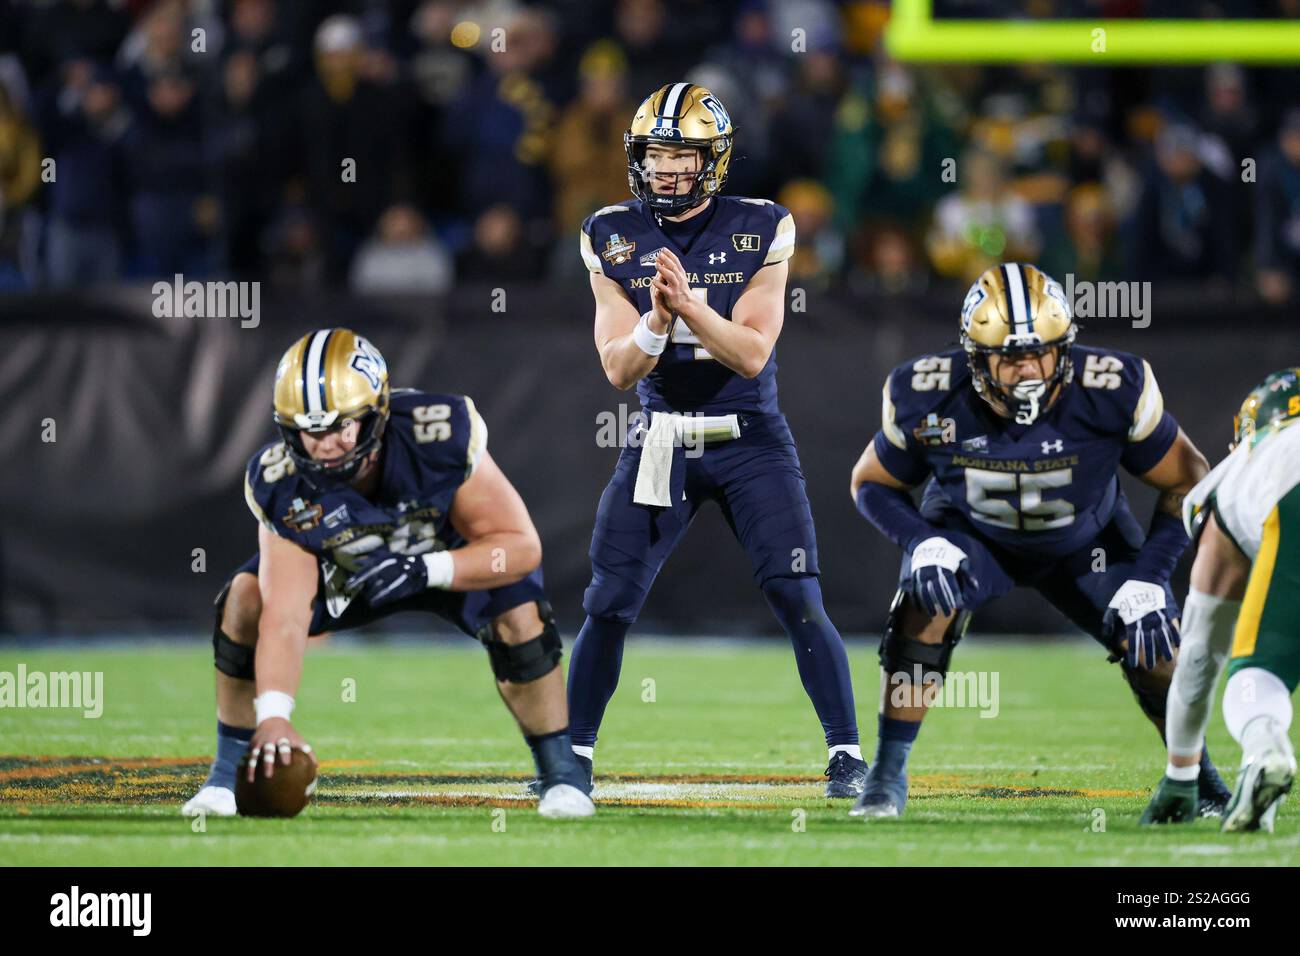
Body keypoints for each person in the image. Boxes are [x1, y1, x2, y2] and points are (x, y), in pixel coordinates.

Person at [566, 83, 865, 798]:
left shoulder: (761, 225)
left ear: (714, 160)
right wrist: (655, 323)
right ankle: (570, 758)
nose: (666, 170)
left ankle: (847, 755)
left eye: (682, 156)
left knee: (796, 592)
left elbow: (753, 353)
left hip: (747, 438)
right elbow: (618, 369)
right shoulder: (609, 231)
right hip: (660, 439)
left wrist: (688, 308)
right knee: (608, 600)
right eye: (655, 155)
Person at [849, 262, 1231, 818]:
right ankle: (886, 776)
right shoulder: (929, 390)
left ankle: (1200, 779)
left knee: (1153, 640)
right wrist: (920, 542)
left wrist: (1150, 579)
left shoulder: (1110, 387)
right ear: (975, 358)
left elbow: (1189, 479)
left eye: (1041, 353)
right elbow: (870, 482)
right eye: (1009, 357)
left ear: (1065, 348)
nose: (1027, 368)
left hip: (1087, 542)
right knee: (920, 603)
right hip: (971, 535)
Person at [182, 328, 593, 819]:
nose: (326, 445)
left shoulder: (435, 435)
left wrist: (427, 568)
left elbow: (519, 548)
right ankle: (226, 777)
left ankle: (560, 775)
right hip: (348, 574)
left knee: (522, 615)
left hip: (447, 562)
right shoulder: (282, 483)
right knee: (245, 598)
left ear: (375, 415)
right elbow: (285, 616)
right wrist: (273, 715)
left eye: (340, 427)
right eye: (310, 431)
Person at [1141, 369, 1300, 832]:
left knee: (1256, 673)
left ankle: (1266, 752)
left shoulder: (1251, 463)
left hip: (1290, 490)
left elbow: (1199, 655)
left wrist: (1181, 772)